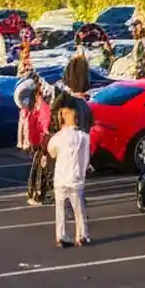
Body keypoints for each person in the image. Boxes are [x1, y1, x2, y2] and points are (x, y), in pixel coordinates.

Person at [48, 106, 91, 247]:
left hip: (60, 176)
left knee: (59, 208)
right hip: (75, 176)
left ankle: (61, 235)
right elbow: (85, 158)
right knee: (79, 208)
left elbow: (52, 152)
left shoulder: (58, 137)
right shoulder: (83, 137)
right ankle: (82, 235)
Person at [26, 80, 53, 206]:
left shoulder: (34, 106)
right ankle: (39, 195)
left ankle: (34, 192)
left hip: (38, 139)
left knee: (38, 166)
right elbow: (46, 123)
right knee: (43, 167)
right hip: (43, 140)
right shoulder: (43, 105)